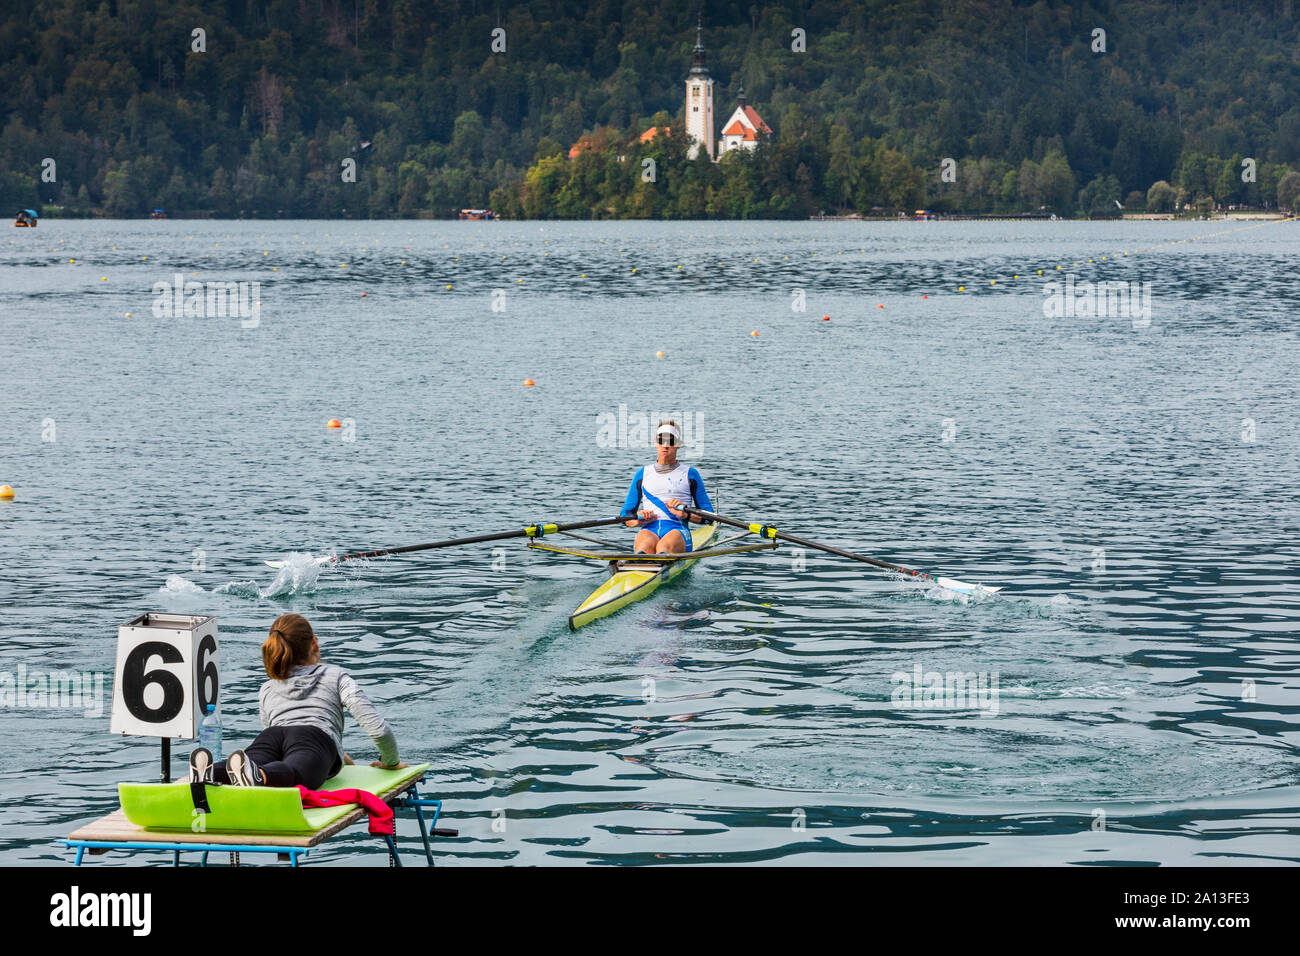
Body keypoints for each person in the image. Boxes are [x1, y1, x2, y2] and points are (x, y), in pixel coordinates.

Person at [189, 613, 405, 788]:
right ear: (315, 643)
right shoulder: (336, 676)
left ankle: (204, 773)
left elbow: (285, 738)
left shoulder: (268, 686)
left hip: (272, 735)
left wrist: (337, 753)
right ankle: (259, 776)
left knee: (244, 765)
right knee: (295, 772)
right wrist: (390, 762)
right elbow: (378, 730)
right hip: (315, 736)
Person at [619, 420, 715, 554]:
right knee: (643, 547)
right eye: (661, 440)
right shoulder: (642, 474)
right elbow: (625, 515)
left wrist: (686, 515)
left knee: (663, 547)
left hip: (677, 530)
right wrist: (635, 520)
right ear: (655, 442)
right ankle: (639, 562)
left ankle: (657, 562)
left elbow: (710, 516)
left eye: (670, 441)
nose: (665, 445)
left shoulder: (690, 474)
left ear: (678, 444)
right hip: (648, 530)